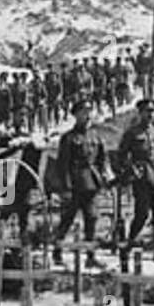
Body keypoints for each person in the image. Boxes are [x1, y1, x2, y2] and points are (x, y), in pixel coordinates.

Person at [52, 99, 112, 267]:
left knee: (92, 218)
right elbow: (62, 165)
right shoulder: (69, 138)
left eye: (89, 112)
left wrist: (105, 176)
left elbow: (102, 159)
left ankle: (90, 257)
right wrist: (65, 188)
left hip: (92, 184)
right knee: (67, 220)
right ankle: (57, 252)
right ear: (76, 115)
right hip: (75, 185)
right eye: (83, 112)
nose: (87, 116)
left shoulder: (95, 136)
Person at [117, 98, 154, 260]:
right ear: (140, 113)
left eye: (152, 111)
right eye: (147, 111)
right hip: (142, 179)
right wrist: (131, 169)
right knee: (141, 214)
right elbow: (121, 156)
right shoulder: (132, 133)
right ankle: (129, 243)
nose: (150, 115)